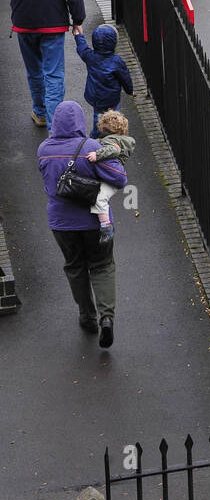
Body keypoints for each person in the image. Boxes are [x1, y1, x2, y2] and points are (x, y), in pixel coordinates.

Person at [37, 99, 126, 347]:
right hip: (95, 222)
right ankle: (106, 317)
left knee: (75, 266)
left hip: (61, 223)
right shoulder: (91, 146)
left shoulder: (44, 149)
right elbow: (119, 178)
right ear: (80, 121)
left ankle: (87, 316)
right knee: (102, 265)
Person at [2, 0, 85, 127]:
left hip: (23, 22)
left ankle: (40, 113)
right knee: (53, 75)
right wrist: (78, 18)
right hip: (52, 23)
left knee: (34, 72)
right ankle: (55, 128)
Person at [73, 23, 134, 137]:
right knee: (114, 115)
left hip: (96, 97)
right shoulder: (116, 61)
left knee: (98, 116)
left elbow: (82, 48)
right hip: (112, 97)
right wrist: (129, 91)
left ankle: (96, 135)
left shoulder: (90, 56)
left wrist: (78, 36)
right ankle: (115, 135)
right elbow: (125, 77)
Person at [85, 110, 136, 241]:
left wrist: (97, 155)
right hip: (111, 176)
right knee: (100, 197)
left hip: (110, 178)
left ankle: (106, 228)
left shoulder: (112, 141)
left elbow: (114, 149)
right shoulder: (123, 140)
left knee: (100, 199)